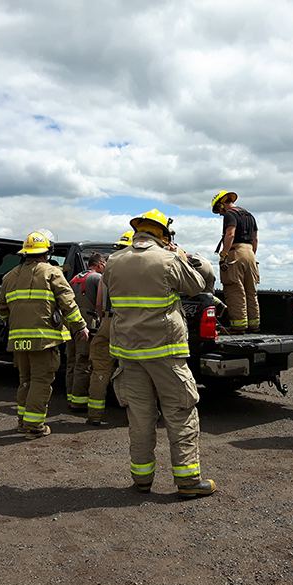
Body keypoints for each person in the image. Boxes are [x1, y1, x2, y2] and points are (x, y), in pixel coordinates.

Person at [103, 209, 216, 498]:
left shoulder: (113, 262)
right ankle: (188, 480)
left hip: (128, 352)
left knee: (140, 417)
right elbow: (197, 284)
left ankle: (142, 479)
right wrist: (180, 255)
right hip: (165, 351)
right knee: (180, 413)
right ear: (163, 234)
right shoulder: (168, 259)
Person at [0, 230, 88, 439]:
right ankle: (34, 426)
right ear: (47, 252)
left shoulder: (10, 276)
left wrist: (12, 320)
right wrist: (80, 326)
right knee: (41, 381)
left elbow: (0, 305)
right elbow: (68, 304)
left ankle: (22, 421)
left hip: (18, 340)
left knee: (25, 380)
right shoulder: (52, 272)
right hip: (43, 340)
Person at [86, 232, 133, 426]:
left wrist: (103, 319)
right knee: (135, 370)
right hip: (128, 324)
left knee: (100, 370)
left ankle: (94, 415)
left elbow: (98, 303)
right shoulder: (136, 269)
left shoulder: (107, 271)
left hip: (107, 322)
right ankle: (138, 415)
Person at [211, 190, 260, 333]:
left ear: (221, 204)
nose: (220, 213)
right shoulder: (250, 216)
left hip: (235, 252)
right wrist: (251, 254)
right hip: (250, 253)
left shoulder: (229, 214)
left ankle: (238, 326)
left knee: (235, 290)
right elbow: (255, 239)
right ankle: (254, 325)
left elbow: (230, 234)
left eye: (218, 210)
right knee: (251, 290)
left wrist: (224, 254)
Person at [65, 253, 106, 416]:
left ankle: (70, 397)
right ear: (100, 263)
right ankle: (79, 401)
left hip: (71, 323)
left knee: (71, 361)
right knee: (83, 361)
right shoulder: (97, 278)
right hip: (87, 325)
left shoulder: (75, 278)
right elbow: (99, 304)